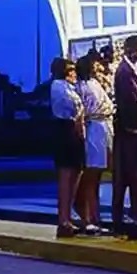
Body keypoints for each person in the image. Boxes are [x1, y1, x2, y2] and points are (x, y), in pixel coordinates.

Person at [111, 35, 137, 231]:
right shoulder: (125, 72)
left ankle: (126, 213)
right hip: (130, 129)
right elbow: (131, 101)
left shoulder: (126, 70)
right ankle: (134, 212)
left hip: (128, 129)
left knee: (126, 174)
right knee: (131, 173)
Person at [76, 55, 114, 236]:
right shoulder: (82, 86)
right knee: (92, 174)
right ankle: (89, 216)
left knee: (97, 174)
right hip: (94, 129)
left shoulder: (95, 83)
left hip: (102, 127)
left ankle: (94, 215)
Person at [49, 57, 85, 238]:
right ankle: (63, 218)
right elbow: (72, 107)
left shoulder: (71, 87)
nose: (74, 73)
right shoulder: (58, 86)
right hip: (65, 130)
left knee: (75, 173)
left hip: (73, 130)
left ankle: (68, 217)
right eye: (70, 70)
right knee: (66, 175)